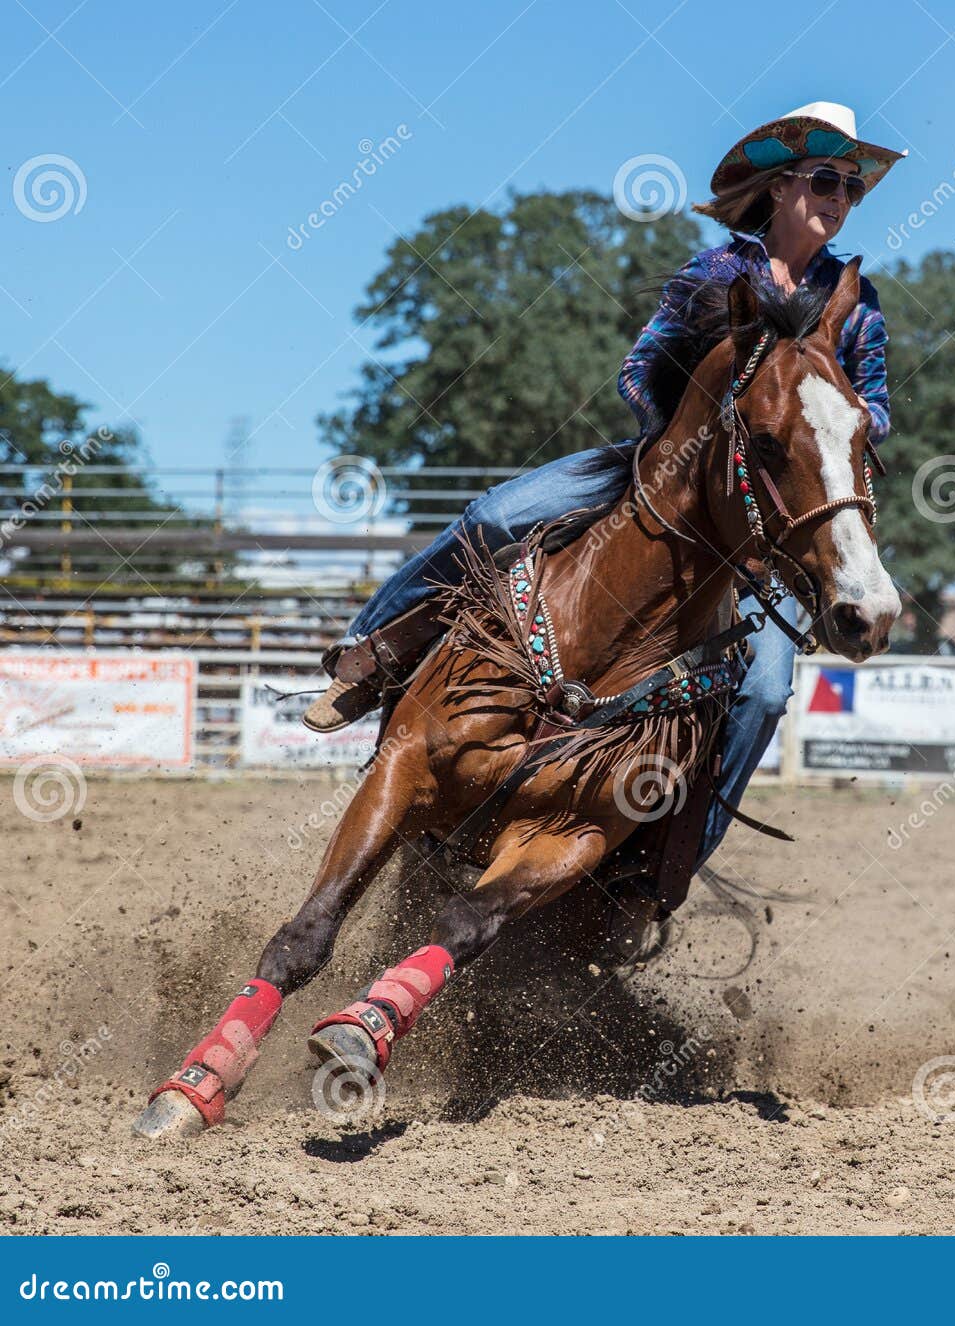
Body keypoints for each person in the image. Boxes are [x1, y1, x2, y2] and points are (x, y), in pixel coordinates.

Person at [304, 101, 904, 867]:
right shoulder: (717, 272)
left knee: (761, 694)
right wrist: (684, 449)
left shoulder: (859, 306)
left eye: (851, 188)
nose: (839, 198)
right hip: (668, 476)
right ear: (782, 187)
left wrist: (830, 422)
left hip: (780, 509)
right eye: (826, 179)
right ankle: (372, 652)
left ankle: (672, 861)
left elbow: (875, 407)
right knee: (495, 515)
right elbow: (636, 369)